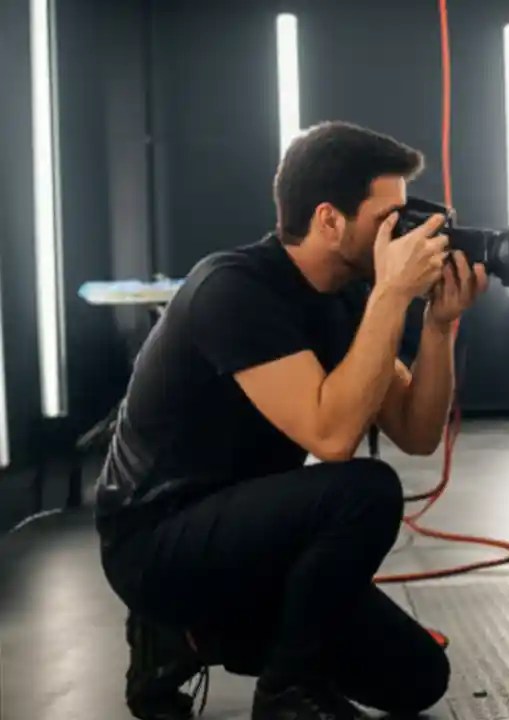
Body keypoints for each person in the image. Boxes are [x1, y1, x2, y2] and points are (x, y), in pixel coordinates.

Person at [94, 120, 487, 720]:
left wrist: (437, 326)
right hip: (156, 543)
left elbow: (416, 431)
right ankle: (286, 690)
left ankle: (189, 636)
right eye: (388, 219)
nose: (403, 235)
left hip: (255, 535)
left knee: (418, 678)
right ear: (330, 220)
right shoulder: (232, 290)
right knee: (364, 490)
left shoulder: (351, 298)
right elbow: (331, 438)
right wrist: (390, 297)